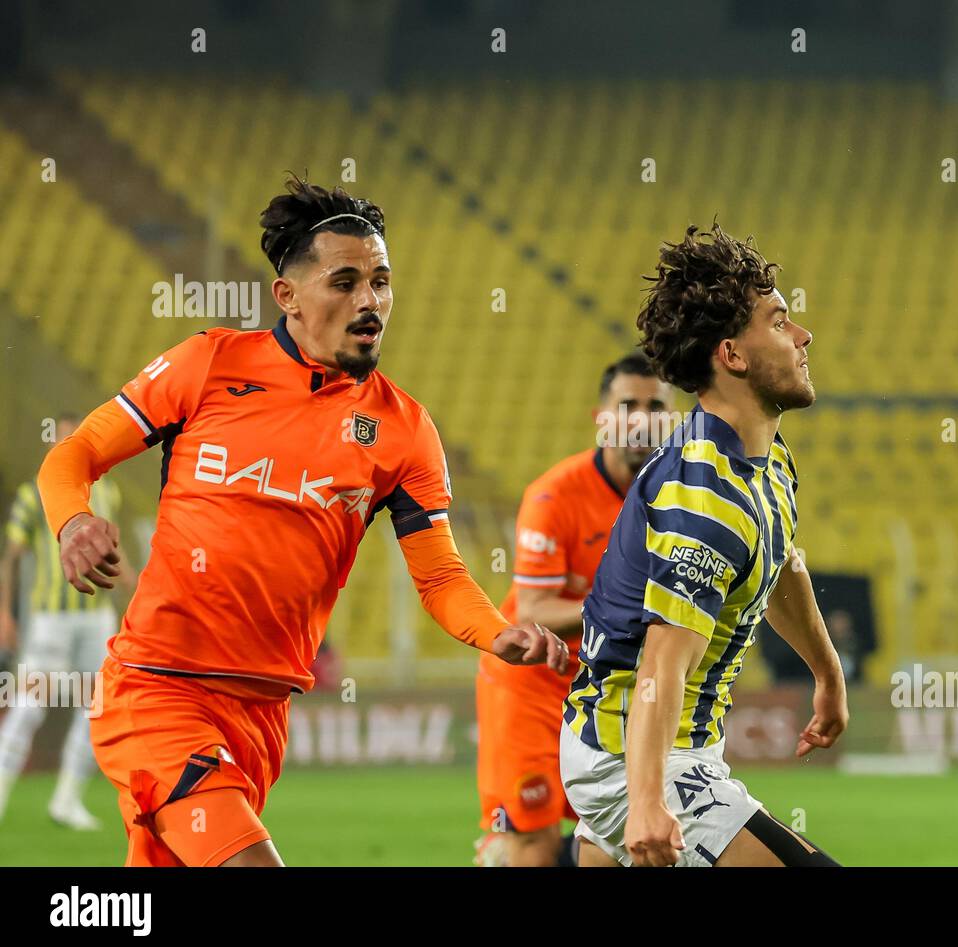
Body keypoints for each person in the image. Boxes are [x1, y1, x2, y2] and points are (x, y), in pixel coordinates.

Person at [34, 175, 566, 867]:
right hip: (157, 689)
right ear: (287, 296)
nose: (369, 300)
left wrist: (498, 634)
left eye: (381, 281)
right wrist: (73, 522)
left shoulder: (403, 431)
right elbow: (74, 454)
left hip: (261, 715)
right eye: (344, 282)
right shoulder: (211, 365)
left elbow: (439, 578)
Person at [560, 223, 848, 867]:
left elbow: (780, 564)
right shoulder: (706, 499)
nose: (803, 337)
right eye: (779, 322)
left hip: (651, 747)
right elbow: (662, 667)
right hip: (639, 755)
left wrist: (826, 674)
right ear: (734, 356)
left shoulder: (766, 464)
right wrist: (644, 801)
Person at [476, 352, 673, 866]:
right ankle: (510, 844)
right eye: (627, 405)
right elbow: (534, 608)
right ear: (601, 417)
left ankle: (502, 849)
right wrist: (630, 605)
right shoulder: (555, 496)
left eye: (656, 407)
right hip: (533, 689)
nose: (641, 419)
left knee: (621, 836)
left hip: (611, 692)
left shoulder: (677, 499)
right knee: (536, 843)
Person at [0, 414, 137, 830]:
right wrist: (6, 612)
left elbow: (113, 551)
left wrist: (135, 583)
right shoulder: (32, 494)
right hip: (51, 620)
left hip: (96, 619)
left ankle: (66, 800)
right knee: (28, 708)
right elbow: (12, 557)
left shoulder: (106, 492)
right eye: (61, 441)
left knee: (96, 709)